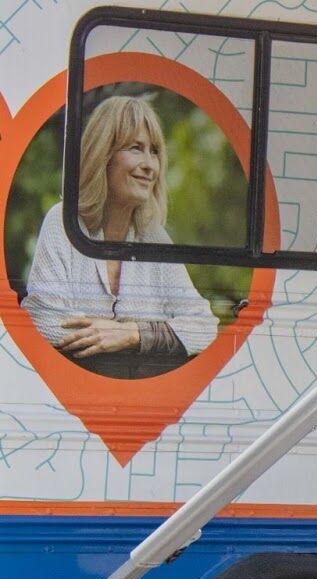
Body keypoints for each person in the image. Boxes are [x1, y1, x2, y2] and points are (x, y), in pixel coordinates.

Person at [22, 95, 218, 377]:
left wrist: (131, 334)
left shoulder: (154, 237)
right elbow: (44, 322)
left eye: (154, 152)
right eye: (136, 148)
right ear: (103, 155)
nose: (150, 165)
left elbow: (204, 327)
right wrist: (148, 335)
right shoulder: (62, 222)